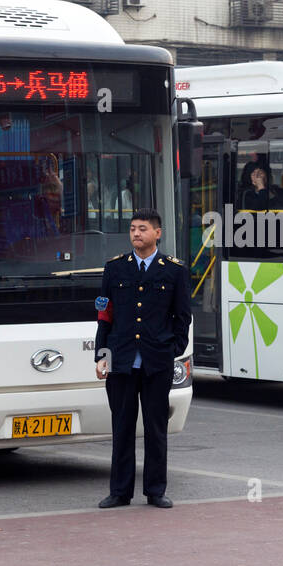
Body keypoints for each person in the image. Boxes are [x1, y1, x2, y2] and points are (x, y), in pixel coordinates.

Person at [94, 208, 191, 509]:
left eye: (143, 229)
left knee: (155, 428)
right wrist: (101, 355)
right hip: (121, 360)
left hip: (156, 362)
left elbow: (182, 316)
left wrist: (172, 348)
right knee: (122, 427)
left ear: (157, 233)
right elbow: (104, 316)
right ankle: (120, 491)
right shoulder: (115, 269)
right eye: (133, 228)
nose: (136, 233)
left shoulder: (174, 271)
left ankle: (155, 490)